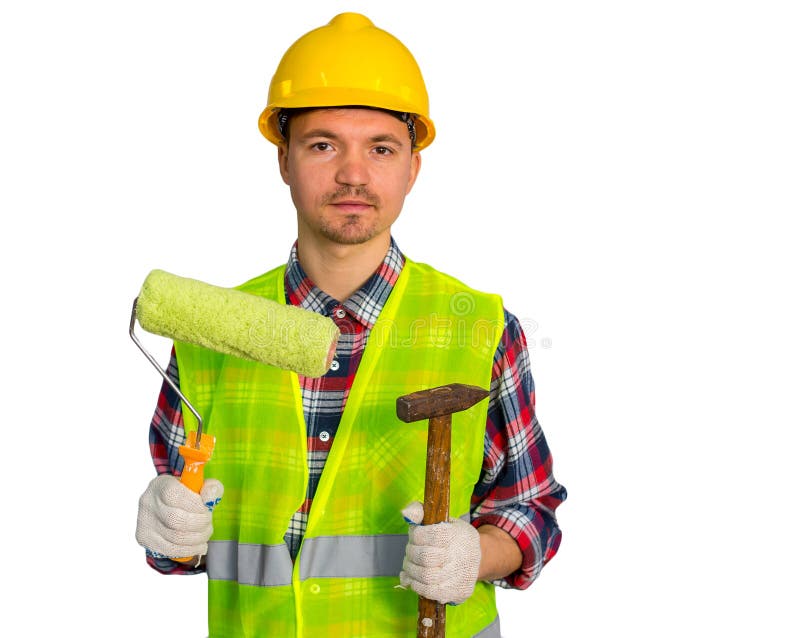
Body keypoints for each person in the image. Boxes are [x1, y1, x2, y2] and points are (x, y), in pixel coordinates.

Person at [135, 12, 566, 638]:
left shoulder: (480, 329)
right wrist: (167, 529)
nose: (353, 175)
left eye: (381, 148)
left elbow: (532, 510)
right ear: (283, 159)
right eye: (322, 144)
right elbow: (183, 545)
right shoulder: (213, 332)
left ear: (413, 167)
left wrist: (476, 554)